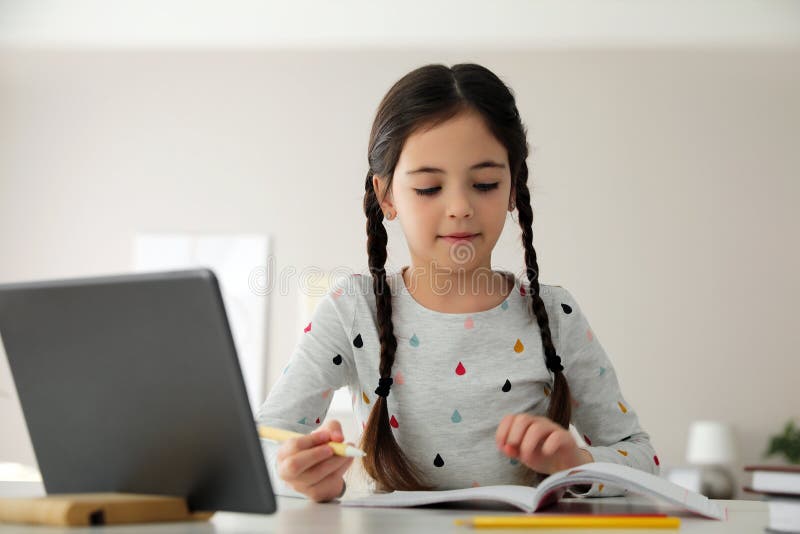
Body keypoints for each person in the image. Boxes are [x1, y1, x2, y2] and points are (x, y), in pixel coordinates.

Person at [257, 63, 659, 503]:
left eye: (484, 183)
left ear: (513, 189)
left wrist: (576, 466)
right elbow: (263, 441)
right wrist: (299, 473)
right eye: (429, 188)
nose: (460, 207)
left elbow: (641, 457)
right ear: (387, 195)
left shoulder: (556, 315)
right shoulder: (353, 308)